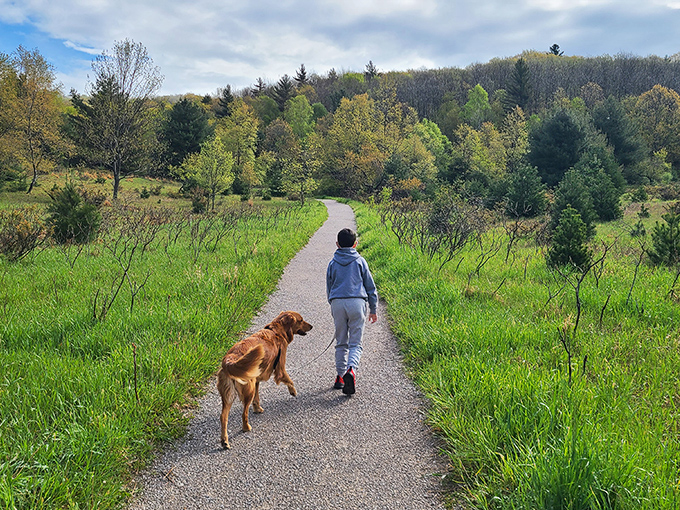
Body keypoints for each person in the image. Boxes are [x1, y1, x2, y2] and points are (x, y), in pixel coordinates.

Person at [326, 228, 378, 395]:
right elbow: (370, 286)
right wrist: (373, 308)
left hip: (338, 302)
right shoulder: (360, 261)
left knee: (341, 342)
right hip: (357, 303)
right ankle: (351, 370)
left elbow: (329, 286)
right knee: (355, 343)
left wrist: (333, 304)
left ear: (337, 244)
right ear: (355, 244)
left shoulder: (333, 263)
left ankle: (340, 377)